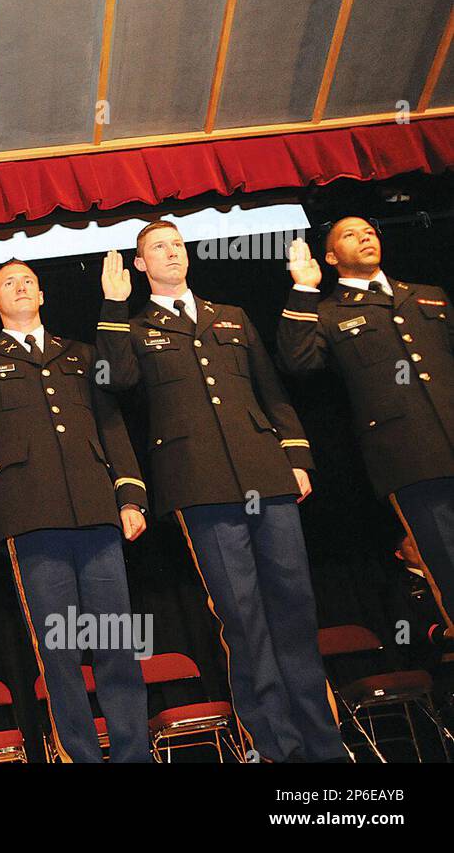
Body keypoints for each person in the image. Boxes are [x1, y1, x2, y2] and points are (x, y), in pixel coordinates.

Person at [95, 221, 345, 762]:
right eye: (158, 247)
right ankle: (274, 749)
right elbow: (113, 381)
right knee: (243, 617)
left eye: (178, 244)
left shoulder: (230, 316)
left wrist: (296, 456)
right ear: (140, 266)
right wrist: (113, 308)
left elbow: (271, 391)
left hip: (267, 473)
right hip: (199, 484)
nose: (172, 252)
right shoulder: (134, 328)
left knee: (296, 609)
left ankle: (325, 748)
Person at [0, 263, 150, 762]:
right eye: (8, 283)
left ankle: (135, 754)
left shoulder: (81, 353)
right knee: (61, 654)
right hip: (31, 519)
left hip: (97, 511)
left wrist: (130, 495)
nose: (21, 286)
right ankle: (81, 755)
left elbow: (112, 423)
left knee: (117, 645)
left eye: (27, 280)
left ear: (43, 293)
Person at [278, 222, 454, 637]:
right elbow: (299, 361)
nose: (365, 236)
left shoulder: (428, 295)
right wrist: (304, 289)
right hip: (411, 459)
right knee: (447, 561)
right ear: (331, 256)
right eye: (350, 235)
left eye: (370, 230)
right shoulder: (328, 311)